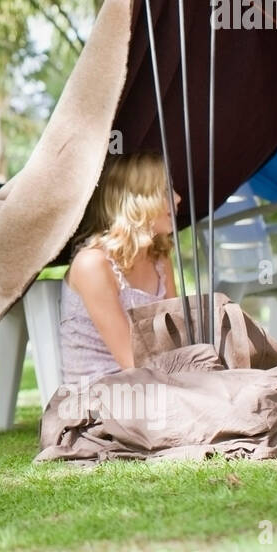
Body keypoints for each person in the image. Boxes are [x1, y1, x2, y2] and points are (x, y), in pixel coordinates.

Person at [59, 151, 179, 384]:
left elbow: (176, 337)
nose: (177, 198)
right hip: (103, 396)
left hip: (157, 383)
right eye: (165, 191)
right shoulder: (93, 264)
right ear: (135, 202)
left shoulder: (160, 259)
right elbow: (131, 361)